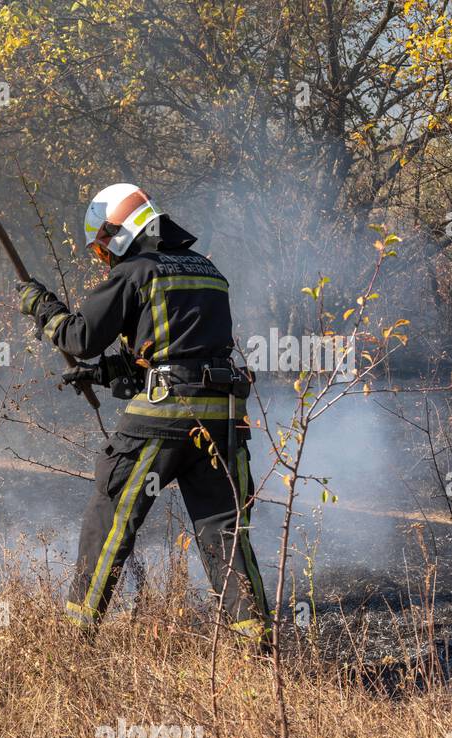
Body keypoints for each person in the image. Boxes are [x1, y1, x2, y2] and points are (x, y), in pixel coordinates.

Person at [18, 183, 270, 643]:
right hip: (222, 420)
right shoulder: (209, 271)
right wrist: (99, 375)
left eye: (102, 248)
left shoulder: (138, 271)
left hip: (165, 416)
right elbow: (175, 350)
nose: (104, 260)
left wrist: (42, 307)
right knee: (226, 533)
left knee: (110, 515)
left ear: (117, 234)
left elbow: (79, 337)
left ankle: (76, 637)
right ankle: (260, 646)